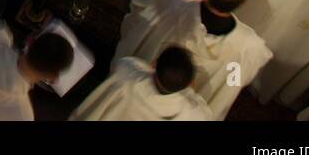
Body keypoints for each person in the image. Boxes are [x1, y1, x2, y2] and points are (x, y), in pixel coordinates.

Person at [113, 0, 271, 119]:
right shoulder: (248, 47)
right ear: (240, 3)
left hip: (138, 93)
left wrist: (188, 0)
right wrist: (227, 72)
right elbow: (234, 81)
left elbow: (136, 16)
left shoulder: (171, 5)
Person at [71, 46, 213, 120]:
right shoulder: (195, 115)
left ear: (154, 65)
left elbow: (130, 63)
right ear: (190, 84)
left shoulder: (126, 73)